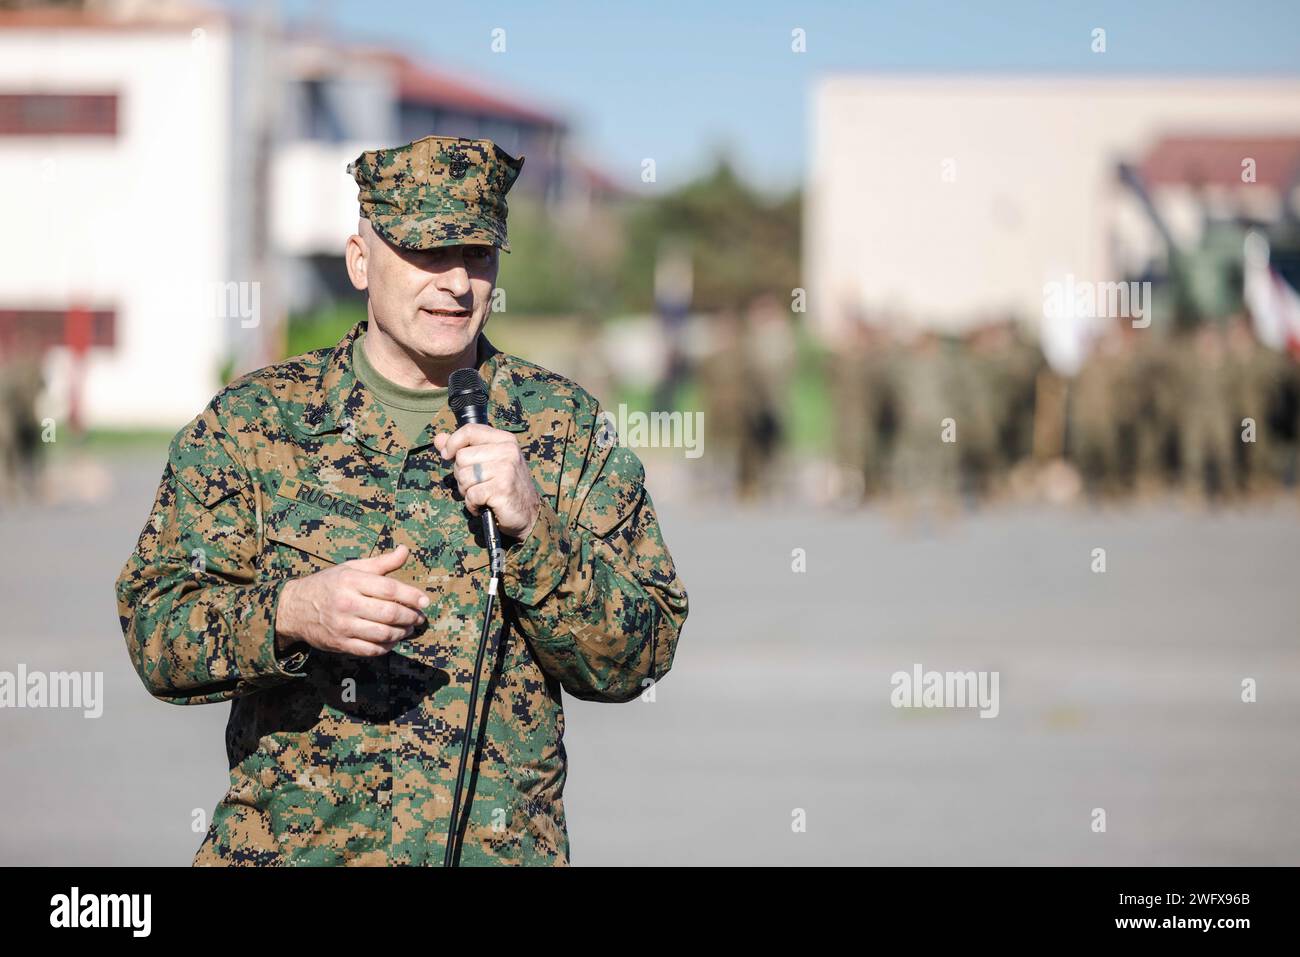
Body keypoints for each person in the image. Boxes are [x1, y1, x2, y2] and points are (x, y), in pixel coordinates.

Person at [115, 135, 689, 867]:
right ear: (360, 260)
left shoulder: (562, 428)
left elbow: (641, 650)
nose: (456, 282)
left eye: (478, 254)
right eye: (426, 252)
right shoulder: (255, 425)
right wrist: (291, 612)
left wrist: (535, 529)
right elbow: (155, 626)